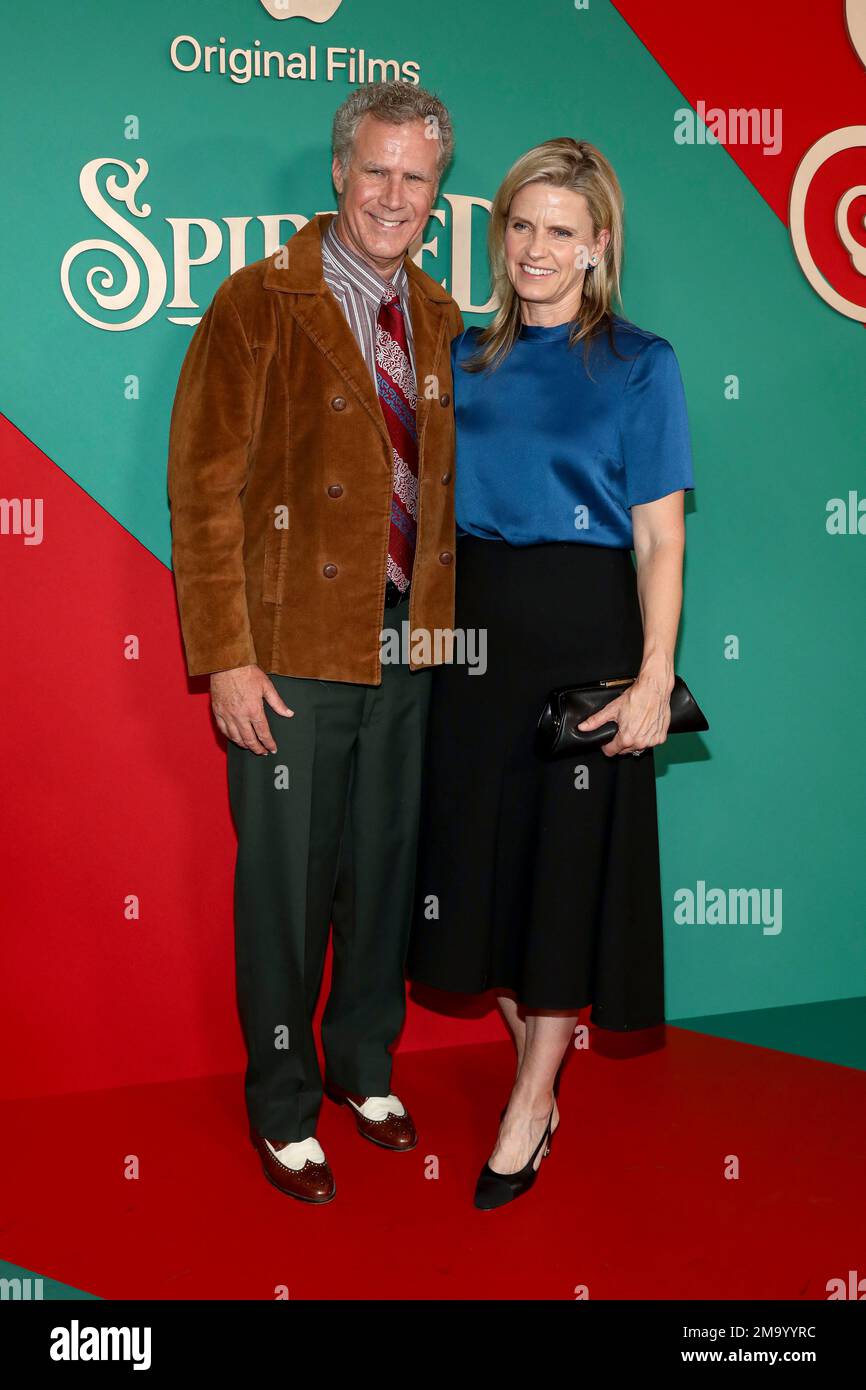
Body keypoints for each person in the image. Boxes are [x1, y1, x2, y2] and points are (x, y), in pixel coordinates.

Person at [167, 81, 463, 1203]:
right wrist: (226, 656)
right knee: (284, 889)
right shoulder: (257, 302)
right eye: (375, 169)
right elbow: (201, 494)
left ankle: (361, 1064)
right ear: (339, 170)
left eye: (415, 177)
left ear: (437, 195)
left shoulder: (436, 321)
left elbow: (440, 497)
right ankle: (285, 1104)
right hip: (286, 652)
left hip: (405, 649)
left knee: (382, 870)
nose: (392, 194)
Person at [406, 138, 695, 1210]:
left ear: (597, 245)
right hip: (468, 645)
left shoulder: (639, 362)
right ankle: (535, 1047)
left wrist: (653, 673)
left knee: (566, 867)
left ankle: (531, 1101)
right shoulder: (458, 357)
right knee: (477, 865)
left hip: (585, 644)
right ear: (499, 237)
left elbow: (660, 543)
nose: (535, 247)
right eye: (519, 225)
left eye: (560, 230)